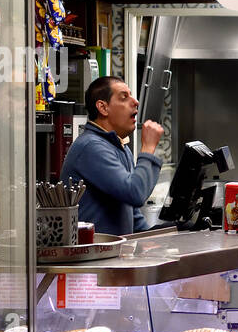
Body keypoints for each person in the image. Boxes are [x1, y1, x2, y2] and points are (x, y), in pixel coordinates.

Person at [60, 76, 164, 237]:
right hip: (91, 257)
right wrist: (148, 147)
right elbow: (134, 193)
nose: (135, 102)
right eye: (124, 97)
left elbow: (132, 213)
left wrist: (154, 237)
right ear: (103, 107)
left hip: (113, 253)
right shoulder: (91, 147)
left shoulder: (119, 146)